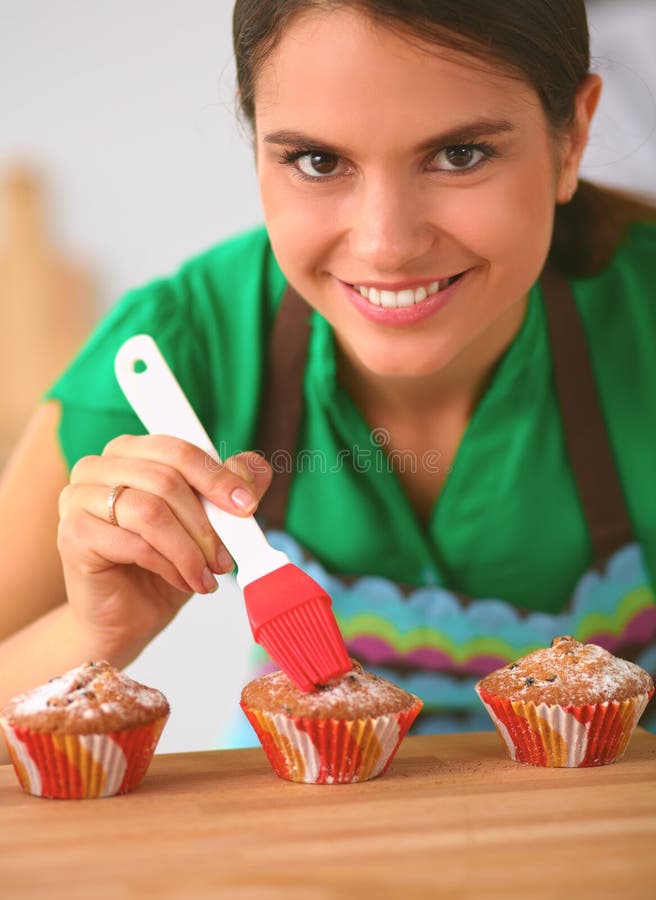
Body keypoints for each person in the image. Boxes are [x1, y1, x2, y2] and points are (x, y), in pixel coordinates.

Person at [1, 0, 655, 759]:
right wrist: (95, 632)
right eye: (318, 161)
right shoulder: (186, 343)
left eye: (461, 155)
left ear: (570, 138)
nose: (385, 245)